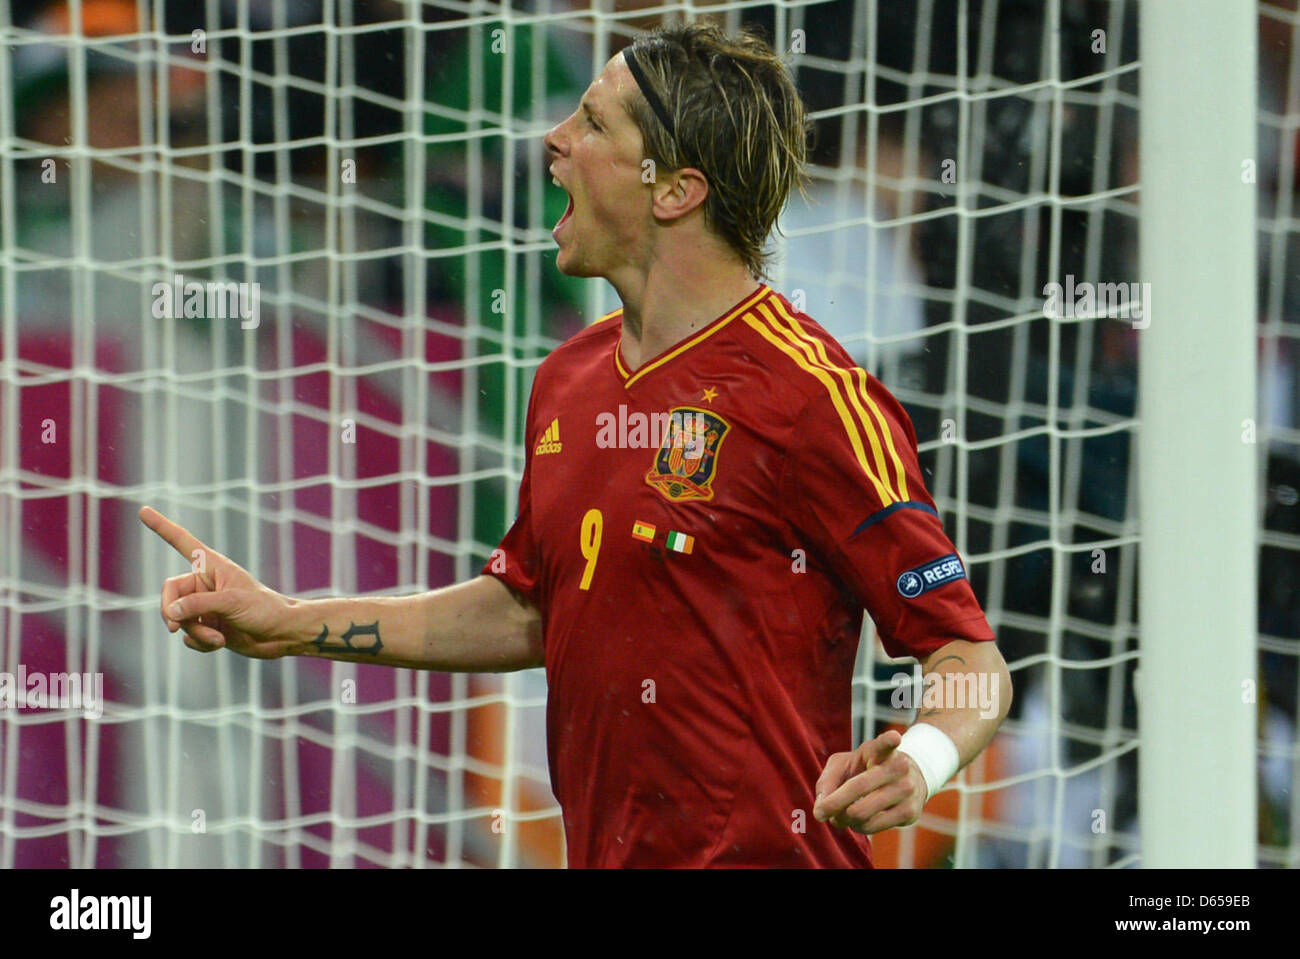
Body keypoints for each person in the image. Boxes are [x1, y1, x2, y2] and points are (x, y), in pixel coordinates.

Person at [141, 21, 1011, 868]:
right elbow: (528, 604)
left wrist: (922, 758)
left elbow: (968, 653)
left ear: (674, 188)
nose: (554, 139)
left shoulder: (812, 399)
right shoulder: (567, 379)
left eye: (594, 122)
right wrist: (291, 623)